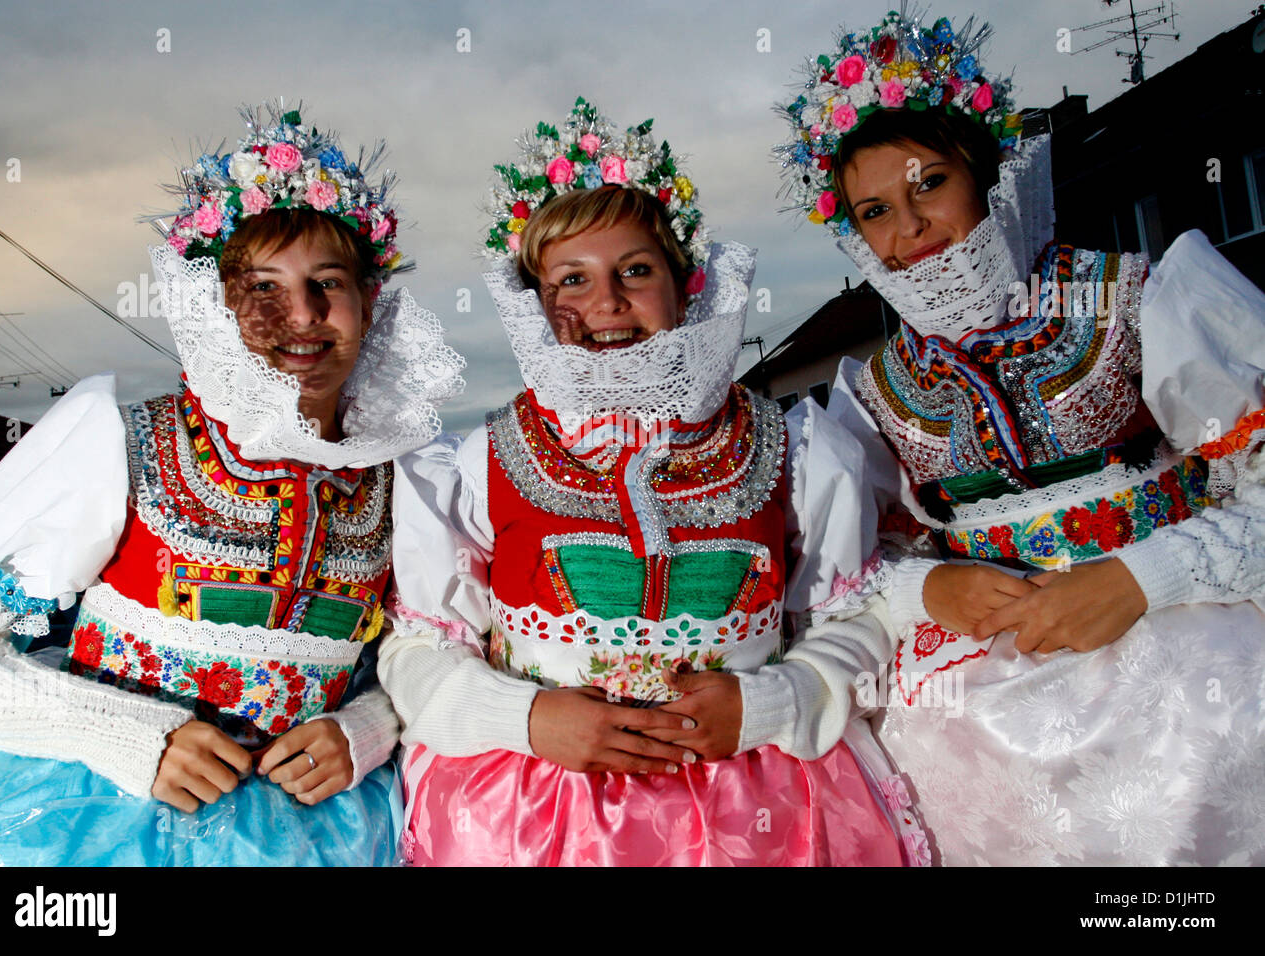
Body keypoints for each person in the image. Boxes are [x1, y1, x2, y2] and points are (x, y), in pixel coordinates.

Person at [379, 98, 929, 866]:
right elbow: (418, 653)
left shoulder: (795, 448)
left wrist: (772, 703)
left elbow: (858, 619)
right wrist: (531, 719)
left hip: (760, 812)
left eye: (635, 270)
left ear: (685, 285)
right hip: (537, 814)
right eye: (572, 279)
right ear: (537, 306)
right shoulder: (476, 464)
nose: (606, 302)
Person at [777, 11, 1265, 864]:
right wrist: (930, 592)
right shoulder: (875, 393)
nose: (911, 226)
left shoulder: (1132, 299)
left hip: (1183, 645)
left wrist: (1141, 577)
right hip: (986, 703)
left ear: (987, 172)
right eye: (875, 211)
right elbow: (846, 580)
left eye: (929, 183)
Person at [0, 103, 463, 866]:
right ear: (218, 306)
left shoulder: (403, 480)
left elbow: (405, 664)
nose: (302, 315)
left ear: (371, 301)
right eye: (263, 287)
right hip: (105, 827)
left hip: (322, 836)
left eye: (328, 281)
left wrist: (359, 732)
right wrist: (124, 735)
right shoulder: (118, 442)